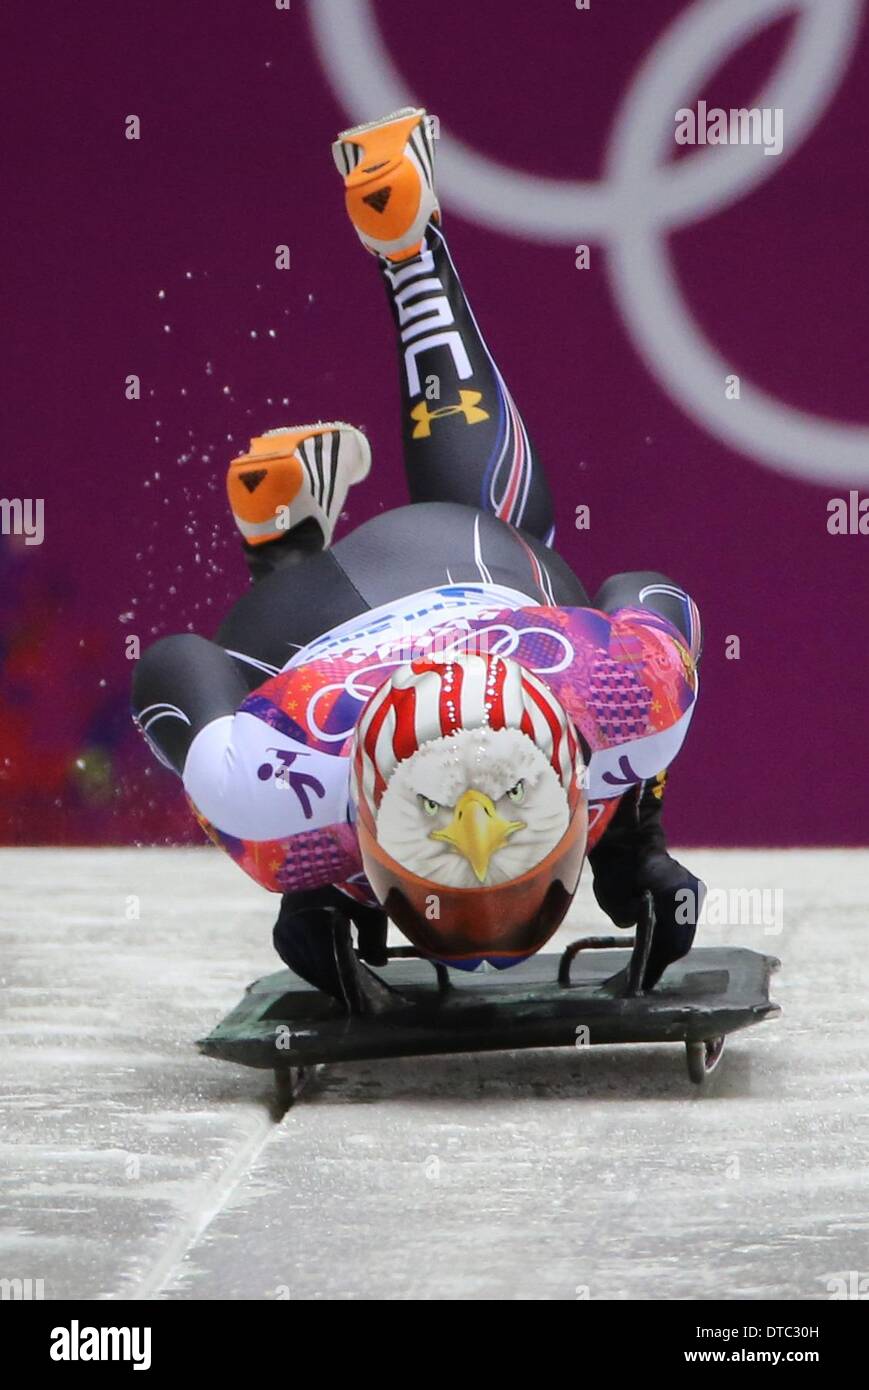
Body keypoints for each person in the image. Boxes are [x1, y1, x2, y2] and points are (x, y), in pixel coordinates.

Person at [132, 108, 704, 1011]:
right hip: (326, 634)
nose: (484, 909)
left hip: (420, 596)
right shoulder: (625, 693)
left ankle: (406, 262)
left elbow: (645, 592)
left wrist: (309, 891)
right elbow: (172, 665)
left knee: (514, 534)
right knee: (492, 537)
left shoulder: (631, 699)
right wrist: (639, 847)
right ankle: (283, 532)